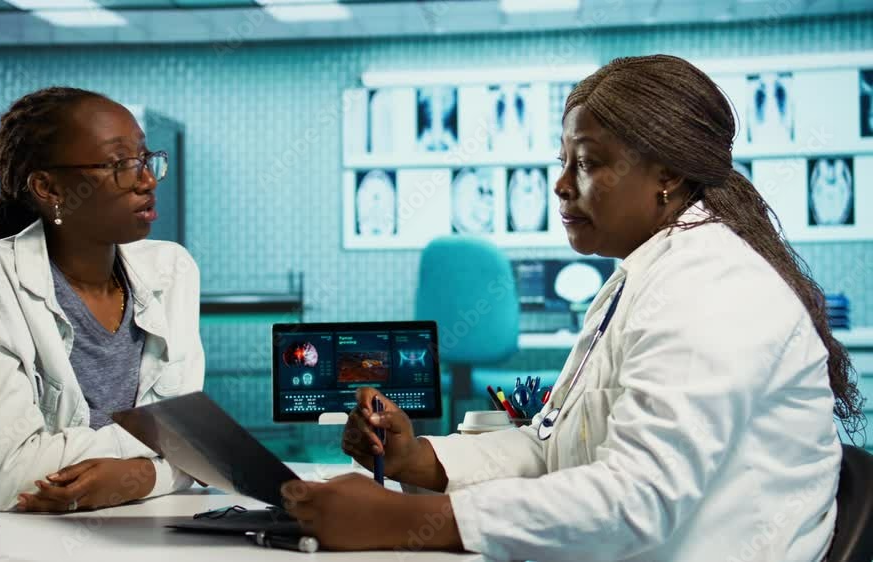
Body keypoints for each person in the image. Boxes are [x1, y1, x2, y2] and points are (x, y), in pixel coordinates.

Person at [280, 55, 865, 561]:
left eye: (585, 163)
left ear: (666, 174)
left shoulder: (711, 286)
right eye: (563, 161)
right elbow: (551, 446)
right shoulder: (640, 277)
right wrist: (417, 459)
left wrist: (400, 520)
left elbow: (638, 499)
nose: (560, 185)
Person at [0, 87, 204, 522]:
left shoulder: (172, 270)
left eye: (145, 158)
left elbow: (194, 450)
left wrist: (142, 477)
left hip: (126, 527)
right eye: (120, 164)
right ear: (48, 187)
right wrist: (161, 450)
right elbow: (1, 473)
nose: (147, 180)